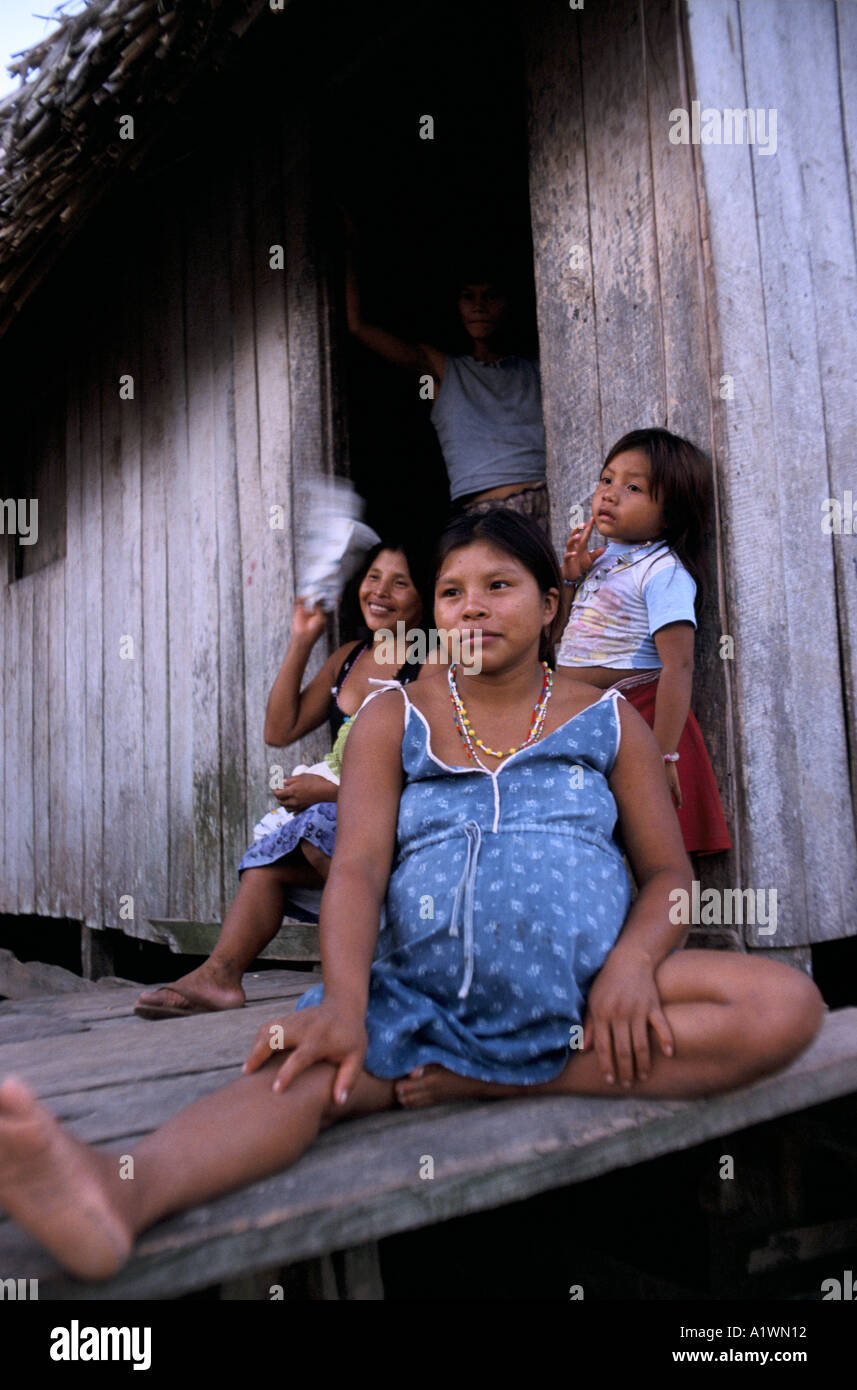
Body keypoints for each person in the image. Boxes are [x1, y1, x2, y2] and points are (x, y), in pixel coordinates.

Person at [0, 511, 823, 1283]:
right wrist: (346, 1002)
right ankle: (117, 1193)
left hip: (585, 987)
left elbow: (670, 878)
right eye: (452, 592)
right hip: (419, 992)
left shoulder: (609, 720)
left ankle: (524, 1078)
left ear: (548, 605)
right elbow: (355, 867)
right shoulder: (396, 716)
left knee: (783, 1006)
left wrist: (633, 967)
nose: (472, 608)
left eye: (498, 586)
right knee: (300, 1076)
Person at [133, 540, 429, 1019]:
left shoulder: (430, 664)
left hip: (401, 823)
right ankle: (220, 977)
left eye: (401, 583)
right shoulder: (349, 658)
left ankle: (387, 965)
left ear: (424, 597)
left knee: (319, 827)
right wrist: (303, 638)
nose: (381, 592)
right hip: (349, 829)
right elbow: (280, 729)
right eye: (374, 577)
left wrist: (330, 792)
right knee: (267, 866)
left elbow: (426, 769)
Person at [556, 428, 730, 855]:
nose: (610, 495)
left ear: (670, 514)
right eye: (606, 480)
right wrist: (569, 579)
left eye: (633, 488)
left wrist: (664, 753)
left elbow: (678, 666)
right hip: (584, 713)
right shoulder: (602, 561)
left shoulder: (663, 572)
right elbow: (562, 637)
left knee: (650, 840)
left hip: (638, 711)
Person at [345, 214, 549, 531]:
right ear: (456, 306)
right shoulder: (443, 370)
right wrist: (352, 245)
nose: (479, 306)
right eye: (469, 296)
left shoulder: (539, 368)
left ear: (508, 303)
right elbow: (358, 327)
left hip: (550, 500)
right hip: (484, 514)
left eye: (490, 296)